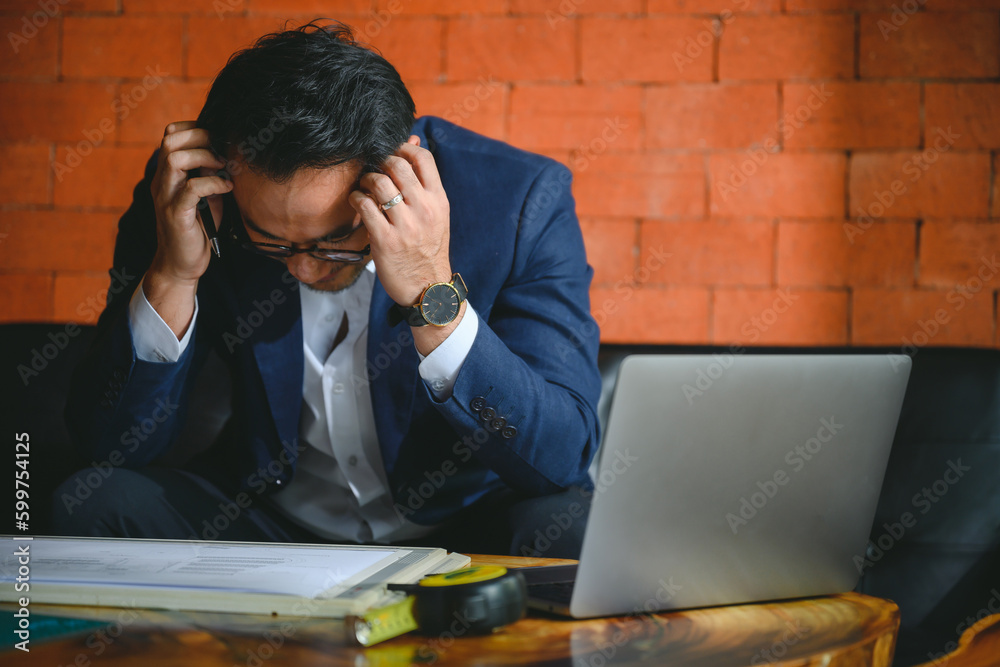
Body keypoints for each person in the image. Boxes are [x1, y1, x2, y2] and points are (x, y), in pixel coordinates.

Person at [52, 20, 601, 558]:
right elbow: (110, 447)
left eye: (336, 241)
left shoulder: (521, 200)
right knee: (91, 504)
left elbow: (563, 456)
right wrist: (173, 274)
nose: (304, 272)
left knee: (572, 530)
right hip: (268, 523)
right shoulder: (189, 198)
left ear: (391, 176)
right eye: (272, 243)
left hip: (463, 522)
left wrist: (431, 293)